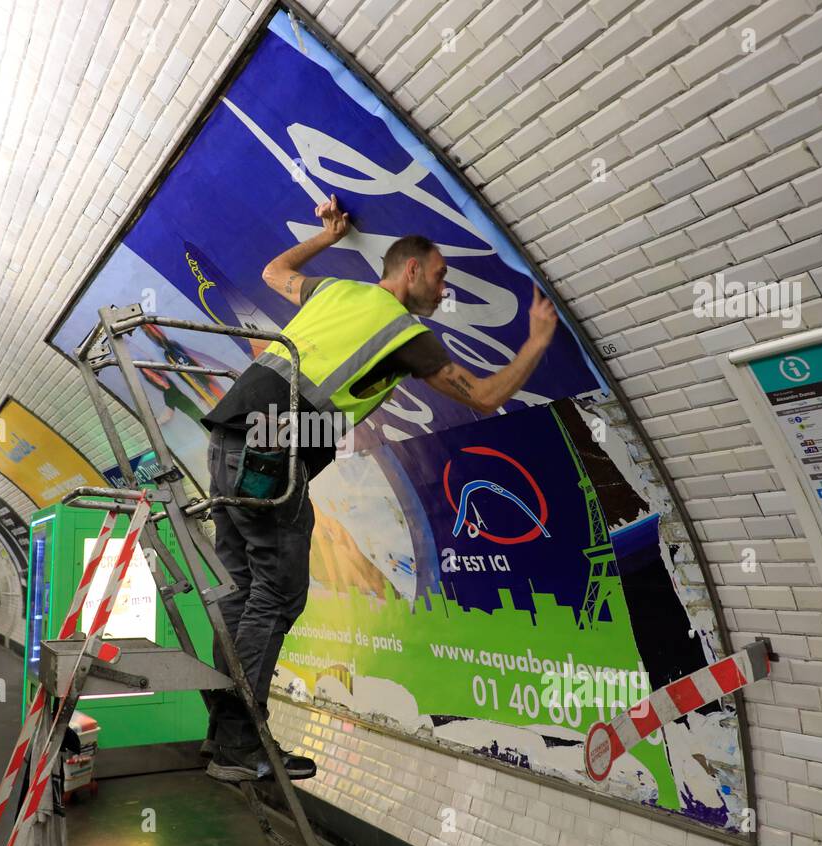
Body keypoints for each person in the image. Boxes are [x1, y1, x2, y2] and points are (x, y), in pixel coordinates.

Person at [198, 194, 559, 782]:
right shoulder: (407, 334)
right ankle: (242, 742)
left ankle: (223, 738)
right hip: (275, 449)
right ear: (411, 269)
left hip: (229, 436)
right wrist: (537, 340)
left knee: (240, 588)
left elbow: (273, 273)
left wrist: (329, 236)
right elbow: (488, 396)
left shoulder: (337, 290)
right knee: (277, 596)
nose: (444, 290)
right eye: (441, 277)